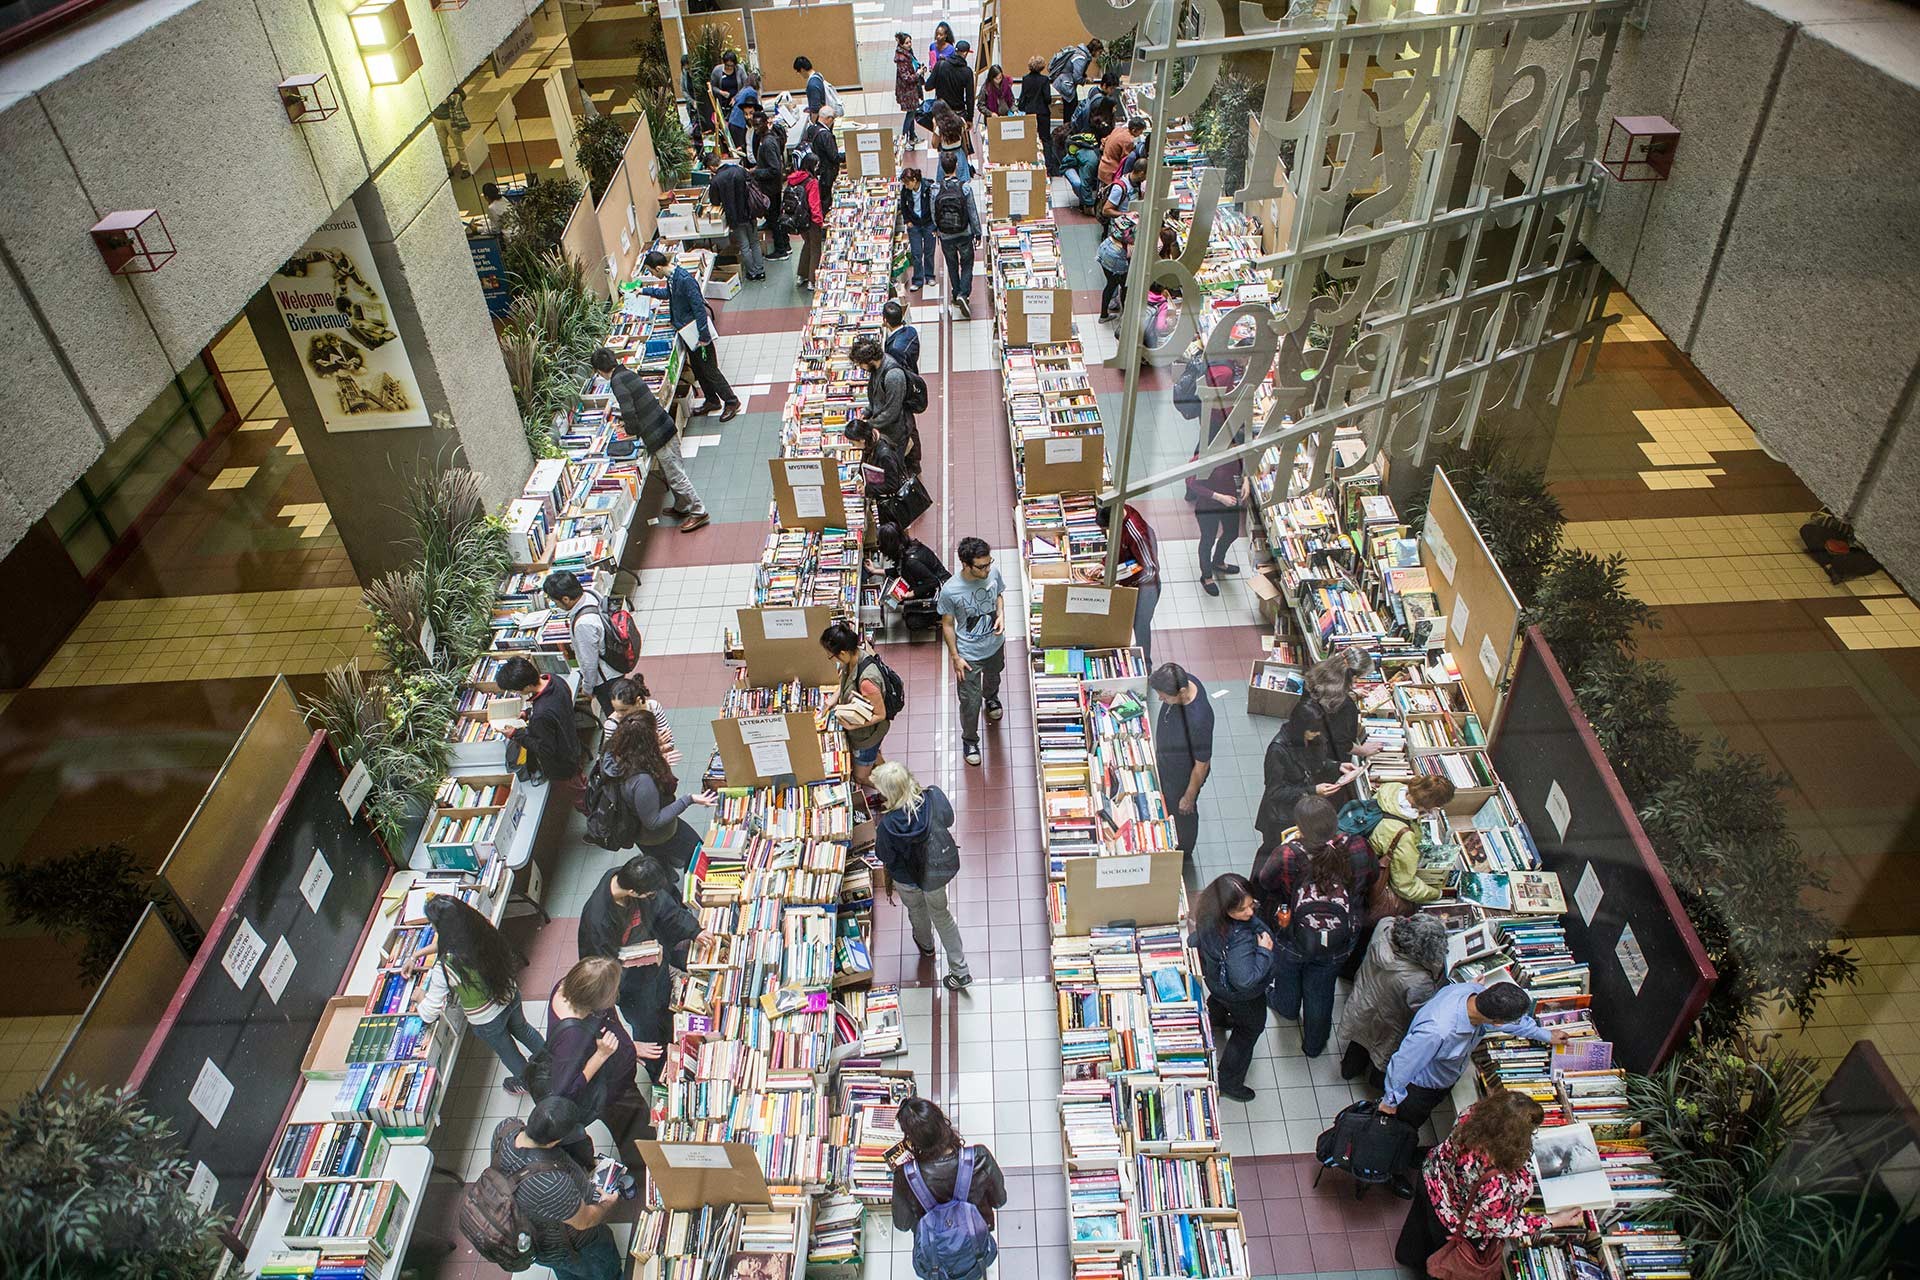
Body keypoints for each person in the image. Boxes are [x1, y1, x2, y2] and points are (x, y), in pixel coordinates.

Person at [1394, 1089, 1585, 1274]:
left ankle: (1408, 1257)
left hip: (1432, 1180)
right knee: (1443, 1255)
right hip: (1456, 1221)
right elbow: (1502, 1226)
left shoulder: (1470, 1115)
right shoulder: (1496, 1183)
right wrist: (1554, 1220)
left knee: (1418, 1228)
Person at [1252, 795, 1375, 1057]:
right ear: (1335, 820)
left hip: (1294, 932)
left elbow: (1265, 881)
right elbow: (1370, 878)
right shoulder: (1358, 847)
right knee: (1321, 988)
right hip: (1340, 937)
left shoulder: (1288, 853)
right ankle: (1314, 1043)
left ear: (1300, 826)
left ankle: (1286, 1007)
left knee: (1286, 973)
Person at [1381, 980, 1567, 1135]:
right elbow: (1403, 1064)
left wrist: (1546, 1035)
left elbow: (1511, 1025)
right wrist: (1390, 1102)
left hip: (1446, 1076)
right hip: (1421, 1087)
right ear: (1497, 1022)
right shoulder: (1438, 1031)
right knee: (1404, 1127)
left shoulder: (1475, 993)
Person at [576, 858, 701, 1082]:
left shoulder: (636, 882)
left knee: (666, 1011)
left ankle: (676, 1052)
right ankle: (660, 1075)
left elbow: (666, 909)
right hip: (631, 989)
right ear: (633, 891)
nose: (654, 896)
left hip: (656, 970)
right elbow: (598, 970)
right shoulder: (596, 919)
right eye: (650, 894)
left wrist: (695, 931)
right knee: (648, 1031)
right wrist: (634, 961)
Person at [487, 1097, 624, 1280]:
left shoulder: (505, 1128)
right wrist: (607, 1203)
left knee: (568, 1275)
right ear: (554, 1142)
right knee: (605, 1272)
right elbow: (585, 1221)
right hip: (573, 1247)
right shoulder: (552, 1184)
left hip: (536, 1239)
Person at [419, 896, 544, 1095]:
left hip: (487, 1019)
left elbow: (429, 1013)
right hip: (509, 994)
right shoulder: (481, 929)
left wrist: (419, 998)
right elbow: (448, 940)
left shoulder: (445, 966)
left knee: (508, 1052)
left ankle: (531, 1084)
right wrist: (417, 954)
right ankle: (553, 1061)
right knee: (524, 1030)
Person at [541, 957, 655, 1172]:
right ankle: (645, 1173)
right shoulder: (572, 1037)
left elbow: (608, 1020)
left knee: (639, 1126)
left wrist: (628, 1047)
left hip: (618, 1078)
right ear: (594, 1001)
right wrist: (600, 1056)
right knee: (634, 1135)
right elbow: (564, 1091)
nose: (616, 996)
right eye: (612, 994)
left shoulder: (571, 987)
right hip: (612, 1095)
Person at [872, 762, 971, 990]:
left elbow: (884, 855)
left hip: (906, 878)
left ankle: (926, 945)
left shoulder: (887, 826)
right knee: (942, 916)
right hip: (935, 874)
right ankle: (960, 969)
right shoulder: (933, 797)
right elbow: (949, 820)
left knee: (916, 910)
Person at [591, 346, 710, 531]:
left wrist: (629, 430)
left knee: (675, 473)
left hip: (656, 433)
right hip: (664, 424)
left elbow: (629, 410)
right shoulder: (627, 373)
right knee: (671, 469)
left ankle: (699, 510)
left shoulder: (616, 382)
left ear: (599, 370)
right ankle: (682, 505)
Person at [1189, 874, 1273, 1102]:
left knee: (1218, 1001)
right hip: (1241, 997)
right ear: (1227, 910)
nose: (1250, 913)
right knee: (1248, 1030)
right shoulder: (1241, 938)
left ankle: (1215, 1019)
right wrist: (1264, 951)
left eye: (1251, 904)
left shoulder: (1207, 913)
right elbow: (1244, 980)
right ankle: (1229, 1081)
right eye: (1242, 909)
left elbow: (1194, 941)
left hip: (1215, 981)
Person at [595, 711, 716, 869]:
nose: (658, 733)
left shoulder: (612, 752)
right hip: (658, 835)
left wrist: (659, 755)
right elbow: (653, 821)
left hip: (637, 830)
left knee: (659, 866)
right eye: (654, 732)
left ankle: (666, 883)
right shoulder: (642, 781)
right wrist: (689, 799)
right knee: (699, 856)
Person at [1341, 913, 1447, 1089]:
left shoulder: (1384, 929)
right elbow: (1420, 1008)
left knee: (1359, 1041)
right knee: (1382, 1054)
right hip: (1389, 1021)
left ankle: (1349, 1070)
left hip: (1363, 1003)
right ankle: (1375, 1084)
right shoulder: (1419, 979)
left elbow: (1393, 919)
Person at [891, 1097, 1007, 1248]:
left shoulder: (905, 1177)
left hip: (936, 1250)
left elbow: (902, 1224)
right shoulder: (979, 1157)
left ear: (911, 1140)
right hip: (976, 1238)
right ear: (942, 1122)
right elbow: (1000, 1201)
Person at [640, 249, 741, 422]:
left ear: (657, 268)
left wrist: (703, 336)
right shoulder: (672, 279)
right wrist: (645, 291)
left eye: (650, 271)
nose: (651, 274)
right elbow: (670, 295)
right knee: (699, 369)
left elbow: (699, 309)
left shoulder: (685, 280)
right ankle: (711, 400)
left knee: (710, 370)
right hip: (687, 332)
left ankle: (731, 401)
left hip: (697, 334)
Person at [938, 537, 1006, 768]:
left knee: (994, 677)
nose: (987, 569)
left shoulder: (993, 573)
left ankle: (992, 698)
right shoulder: (950, 591)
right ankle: (969, 740)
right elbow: (947, 624)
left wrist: (1001, 614)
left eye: (989, 563)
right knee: (969, 701)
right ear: (965, 565)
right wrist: (955, 657)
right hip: (969, 654)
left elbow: (999, 595)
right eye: (981, 566)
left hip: (995, 645)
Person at [1253, 714, 1357, 856]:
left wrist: (1337, 766)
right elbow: (1275, 792)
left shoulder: (1302, 740)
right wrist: (1313, 790)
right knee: (1273, 853)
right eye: (1315, 732)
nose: (1318, 735)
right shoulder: (1277, 750)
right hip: (1279, 817)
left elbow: (1311, 760)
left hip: (1297, 811)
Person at [1366, 773, 1456, 923]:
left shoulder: (1392, 788)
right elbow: (1405, 886)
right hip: (1369, 879)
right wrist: (1437, 893)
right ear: (1433, 806)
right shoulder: (1404, 837)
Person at [495, 657, 585, 804]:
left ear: (525, 687)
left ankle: (595, 816)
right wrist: (529, 712)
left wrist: (515, 734)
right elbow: (555, 707)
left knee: (577, 794)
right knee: (579, 781)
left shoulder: (541, 716)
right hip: (571, 743)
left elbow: (545, 750)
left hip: (562, 763)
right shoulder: (554, 680)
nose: (516, 693)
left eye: (515, 690)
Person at [1149, 663, 1214, 863]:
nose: (1160, 699)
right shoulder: (1186, 679)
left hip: (1182, 777)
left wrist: (1188, 797)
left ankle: (1183, 852)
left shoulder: (1198, 720)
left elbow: (1202, 764)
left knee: (1182, 814)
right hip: (1167, 762)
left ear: (1182, 692)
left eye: (1164, 696)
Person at [820, 621, 892, 787]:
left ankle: (895, 792)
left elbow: (880, 715)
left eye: (831, 655)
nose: (831, 659)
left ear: (843, 652)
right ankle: (893, 779)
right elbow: (845, 681)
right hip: (865, 732)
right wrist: (832, 700)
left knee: (861, 777)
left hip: (866, 735)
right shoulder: (854, 657)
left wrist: (853, 727)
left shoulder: (867, 680)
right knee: (875, 758)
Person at [544, 569, 628, 710]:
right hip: (615, 664)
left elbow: (590, 662)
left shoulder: (583, 624)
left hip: (606, 679)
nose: (555, 605)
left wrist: (588, 688)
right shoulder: (590, 594)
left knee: (617, 716)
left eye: (555, 601)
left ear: (565, 599)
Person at [1286, 649, 1381, 765]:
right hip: (1324, 758)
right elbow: (1342, 743)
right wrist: (1363, 750)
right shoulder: (1345, 706)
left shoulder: (1317, 671)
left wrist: (1350, 692)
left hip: (1300, 738)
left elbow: (1325, 696)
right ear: (1354, 677)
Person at [1187, 420, 1247, 595]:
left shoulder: (1236, 455)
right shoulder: (1203, 459)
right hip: (1209, 505)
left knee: (1232, 533)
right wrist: (1219, 497)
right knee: (1208, 540)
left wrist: (1247, 482)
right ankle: (1206, 576)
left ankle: (1218, 561)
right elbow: (1192, 484)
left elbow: (1245, 468)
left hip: (1230, 501)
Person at [1096, 500, 1160, 664]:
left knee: (1141, 625)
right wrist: (1104, 563)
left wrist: (1123, 581)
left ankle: (1145, 663)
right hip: (1128, 581)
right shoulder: (1119, 512)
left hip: (1145, 588)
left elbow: (1151, 569)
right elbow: (1118, 546)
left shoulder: (1137, 533)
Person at [849, 334, 919, 469]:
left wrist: (868, 425)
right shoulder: (876, 368)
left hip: (895, 432)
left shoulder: (893, 376)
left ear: (869, 360)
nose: (861, 368)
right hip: (883, 426)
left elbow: (892, 412)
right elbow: (877, 396)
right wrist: (867, 411)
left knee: (894, 466)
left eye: (860, 364)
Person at [932, 149, 980, 318]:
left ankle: (956, 292)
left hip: (945, 236)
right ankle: (963, 294)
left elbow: (933, 212)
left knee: (952, 265)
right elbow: (972, 212)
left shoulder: (935, 189)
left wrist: (937, 229)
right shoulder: (965, 188)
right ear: (957, 166)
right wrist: (977, 232)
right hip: (964, 233)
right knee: (967, 264)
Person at [706, 150, 764, 281]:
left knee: (744, 246)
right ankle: (760, 270)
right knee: (754, 242)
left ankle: (752, 273)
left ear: (711, 167)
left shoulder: (715, 181)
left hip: (734, 217)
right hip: (749, 212)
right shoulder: (738, 170)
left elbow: (715, 201)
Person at [602, 674, 678, 765]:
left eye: (624, 710)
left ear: (638, 701)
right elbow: (619, 759)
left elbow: (670, 743)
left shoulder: (653, 707)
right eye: (615, 709)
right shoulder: (612, 725)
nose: (618, 715)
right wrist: (656, 745)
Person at [750, 109, 791, 260]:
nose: (755, 128)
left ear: (766, 124)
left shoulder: (767, 143)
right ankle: (785, 245)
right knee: (776, 217)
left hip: (770, 188)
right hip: (772, 187)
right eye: (753, 125)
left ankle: (781, 250)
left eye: (758, 125)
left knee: (774, 219)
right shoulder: (768, 139)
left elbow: (775, 169)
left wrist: (756, 173)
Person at [876, 521, 950, 601]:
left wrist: (911, 594)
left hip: (942, 595)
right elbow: (899, 570)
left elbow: (932, 582)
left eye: (880, 543)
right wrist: (874, 571)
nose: (878, 545)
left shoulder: (911, 561)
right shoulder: (908, 547)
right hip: (938, 587)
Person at [785, 152, 826, 289]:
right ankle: (812, 281)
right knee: (815, 248)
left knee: (806, 244)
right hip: (811, 220)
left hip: (798, 218)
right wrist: (820, 221)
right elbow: (814, 204)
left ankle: (801, 275)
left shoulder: (793, 179)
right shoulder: (812, 182)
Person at [1049, 39, 1104, 126]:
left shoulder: (1080, 53)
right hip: (1067, 84)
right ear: (1094, 50)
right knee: (1071, 109)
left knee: (1070, 108)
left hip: (1064, 82)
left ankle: (1066, 129)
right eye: (1099, 52)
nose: (1099, 55)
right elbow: (1077, 76)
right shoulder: (1081, 58)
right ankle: (1068, 129)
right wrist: (1085, 80)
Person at [898, 165, 936, 291]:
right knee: (916, 253)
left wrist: (935, 223)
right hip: (914, 225)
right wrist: (907, 220)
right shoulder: (905, 191)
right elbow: (903, 206)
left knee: (929, 251)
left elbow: (934, 205)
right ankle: (918, 279)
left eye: (907, 183)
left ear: (914, 180)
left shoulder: (928, 188)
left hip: (928, 223)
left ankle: (930, 276)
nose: (906, 186)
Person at [804, 104, 847, 216]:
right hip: (827, 173)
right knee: (826, 200)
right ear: (829, 119)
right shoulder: (826, 135)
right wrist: (847, 155)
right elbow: (834, 157)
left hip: (815, 172)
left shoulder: (811, 129)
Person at [1018, 55, 1058, 175]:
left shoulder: (1025, 79)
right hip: (1043, 113)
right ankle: (1048, 169)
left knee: (1031, 140)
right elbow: (1047, 98)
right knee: (1045, 140)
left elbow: (1023, 97)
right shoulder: (1044, 80)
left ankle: (1032, 166)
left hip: (1030, 112)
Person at [1096, 214, 1133, 322]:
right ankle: (1124, 316)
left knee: (1111, 284)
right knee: (1125, 287)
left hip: (1105, 249)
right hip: (1117, 258)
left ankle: (1103, 315)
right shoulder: (1133, 236)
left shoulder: (1126, 219)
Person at [929, 39, 974, 122]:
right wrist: (970, 118)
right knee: (961, 134)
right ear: (965, 53)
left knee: (939, 134)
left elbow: (928, 86)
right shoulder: (967, 72)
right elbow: (970, 98)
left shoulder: (940, 65)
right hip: (958, 113)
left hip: (941, 112)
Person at [1071, 70, 1123, 138]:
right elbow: (1100, 121)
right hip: (1091, 129)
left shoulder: (1094, 89)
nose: (1113, 91)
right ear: (1104, 85)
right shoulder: (1100, 101)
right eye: (1112, 88)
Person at [895, 33, 925, 146]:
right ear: (901, 44)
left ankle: (912, 136)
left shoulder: (908, 54)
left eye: (910, 42)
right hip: (907, 91)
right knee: (910, 114)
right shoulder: (902, 59)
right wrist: (918, 74)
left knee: (911, 113)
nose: (909, 44)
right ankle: (904, 138)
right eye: (907, 43)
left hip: (911, 90)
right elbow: (906, 77)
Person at [1100, 155, 1146, 229]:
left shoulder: (1137, 183)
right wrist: (1126, 214)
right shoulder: (1119, 188)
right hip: (1120, 228)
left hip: (1132, 223)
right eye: (1146, 176)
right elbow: (1106, 211)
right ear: (1141, 174)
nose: (1146, 179)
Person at [934, 106, 973, 183]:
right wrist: (965, 154)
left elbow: (934, 145)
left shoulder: (939, 126)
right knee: (962, 182)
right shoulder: (960, 121)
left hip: (945, 156)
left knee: (944, 182)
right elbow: (964, 140)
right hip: (959, 153)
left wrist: (934, 127)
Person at [882, 299, 921, 374]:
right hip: (913, 368)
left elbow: (897, 371)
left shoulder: (894, 349)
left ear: (885, 320)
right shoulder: (911, 330)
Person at [725, 69, 760, 151]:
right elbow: (755, 108)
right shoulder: (752, 91)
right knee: (744, 148)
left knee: (738, 148)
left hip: (733, 121)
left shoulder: (744, 90)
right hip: (739, 123)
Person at [682, 55, 715, 136]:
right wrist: (692, 102)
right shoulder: (684, 75)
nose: (687, 69)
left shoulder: (698, 73)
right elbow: (684, 90)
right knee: (695, 127)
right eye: (686, 68)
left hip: (702, 104)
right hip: (692, 104)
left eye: (688, 67)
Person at [709, 50, 742, 129]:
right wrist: (721, 92)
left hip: (736, 102)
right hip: (723, 104)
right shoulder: (717, 71)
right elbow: (712, 87)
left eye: (732, 66)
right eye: (727, 65)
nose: (729, 68)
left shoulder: (740, 70)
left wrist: (736, 97)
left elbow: (745, 85)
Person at [795, 55, 827, 119]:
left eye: (798, 72)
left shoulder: (812, 85)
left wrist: (814, 126)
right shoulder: (818, 75)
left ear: (802, 69)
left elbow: (815, 110)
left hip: (820, 118)